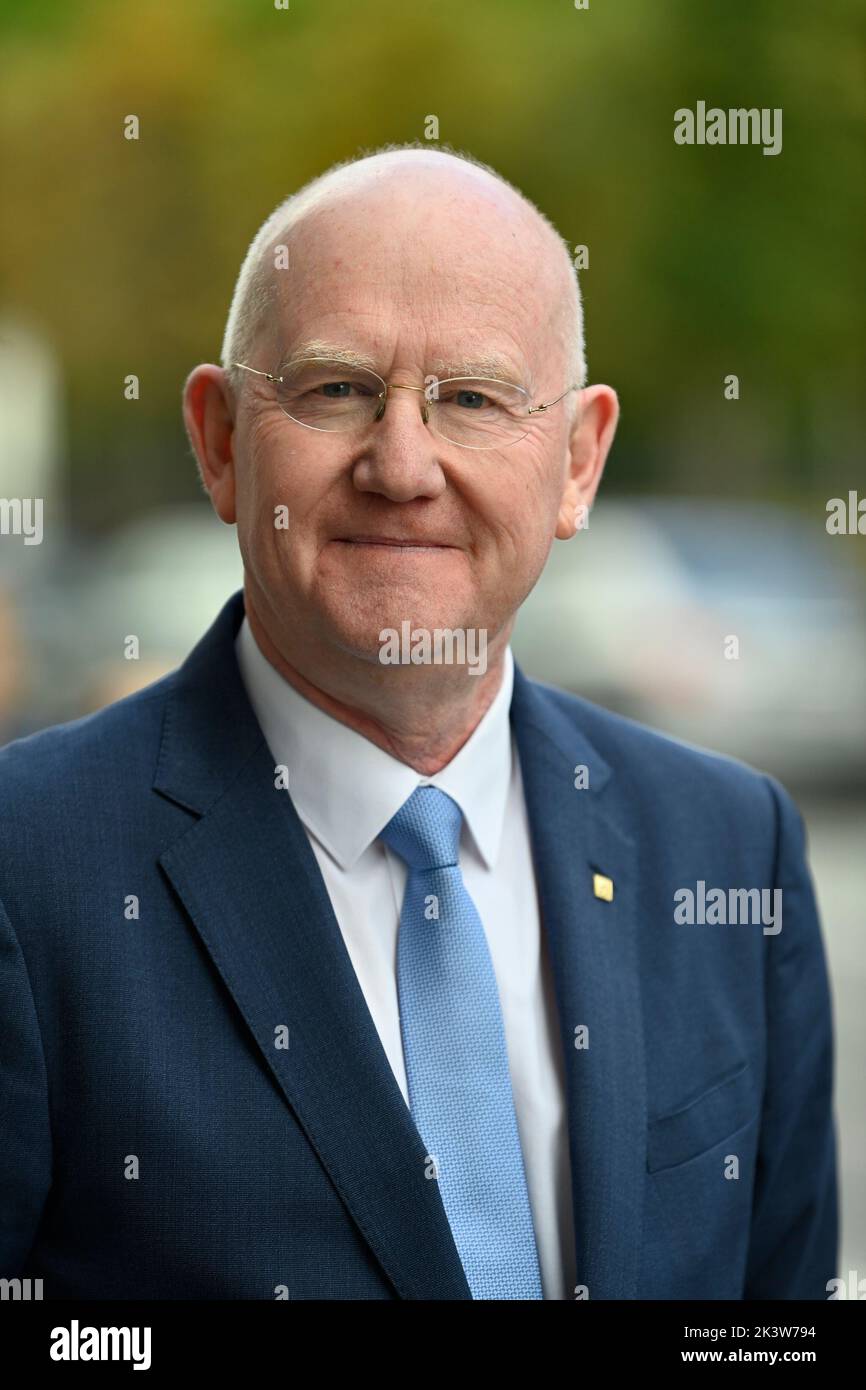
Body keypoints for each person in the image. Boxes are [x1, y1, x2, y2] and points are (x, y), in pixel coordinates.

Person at [0, 144, 837, 1300]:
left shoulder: (727, 846)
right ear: (222, 442)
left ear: (577, 462)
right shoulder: (26, 868)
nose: (402, 465)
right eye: (335, 388)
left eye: (475, 399)